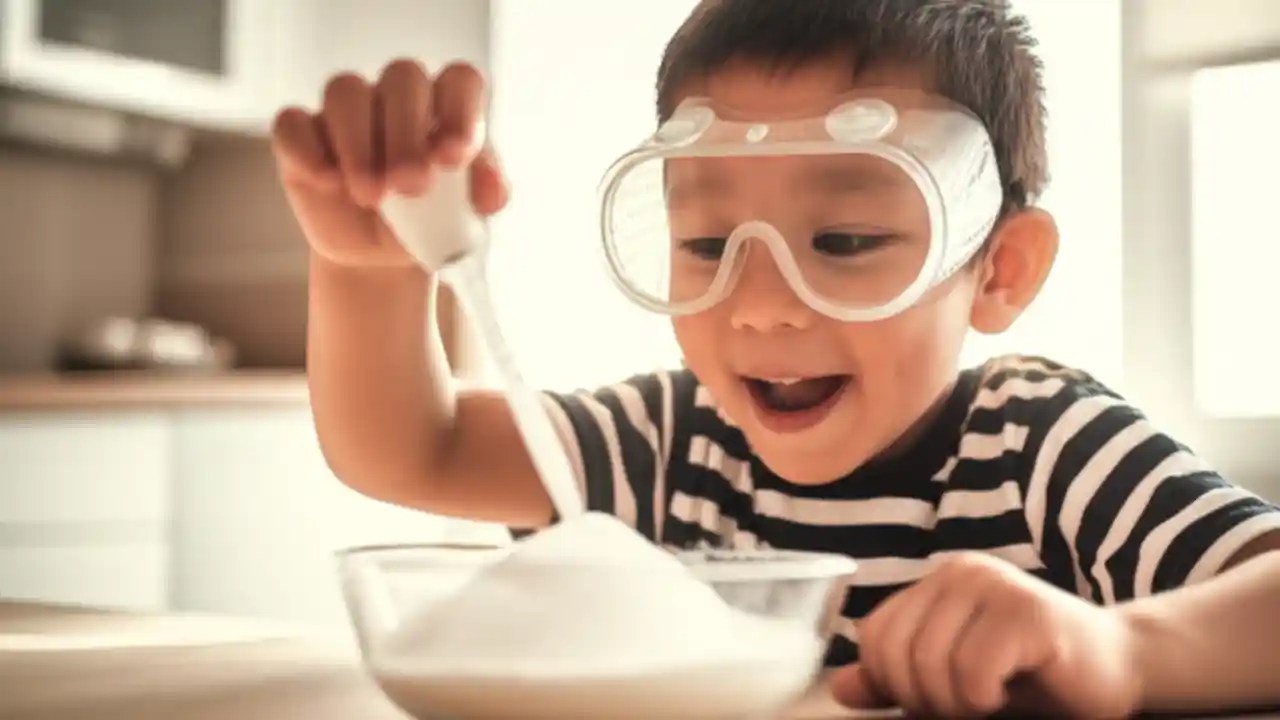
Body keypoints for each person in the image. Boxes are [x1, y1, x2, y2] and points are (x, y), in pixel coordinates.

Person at [270, 0, 1280, 716]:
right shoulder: (668, 444)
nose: (757, 308)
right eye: (707, 247)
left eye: (841, 244)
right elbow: (413, 449)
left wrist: (1120, 651)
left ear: (997, 268)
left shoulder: (1042, 447)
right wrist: (367, 271)